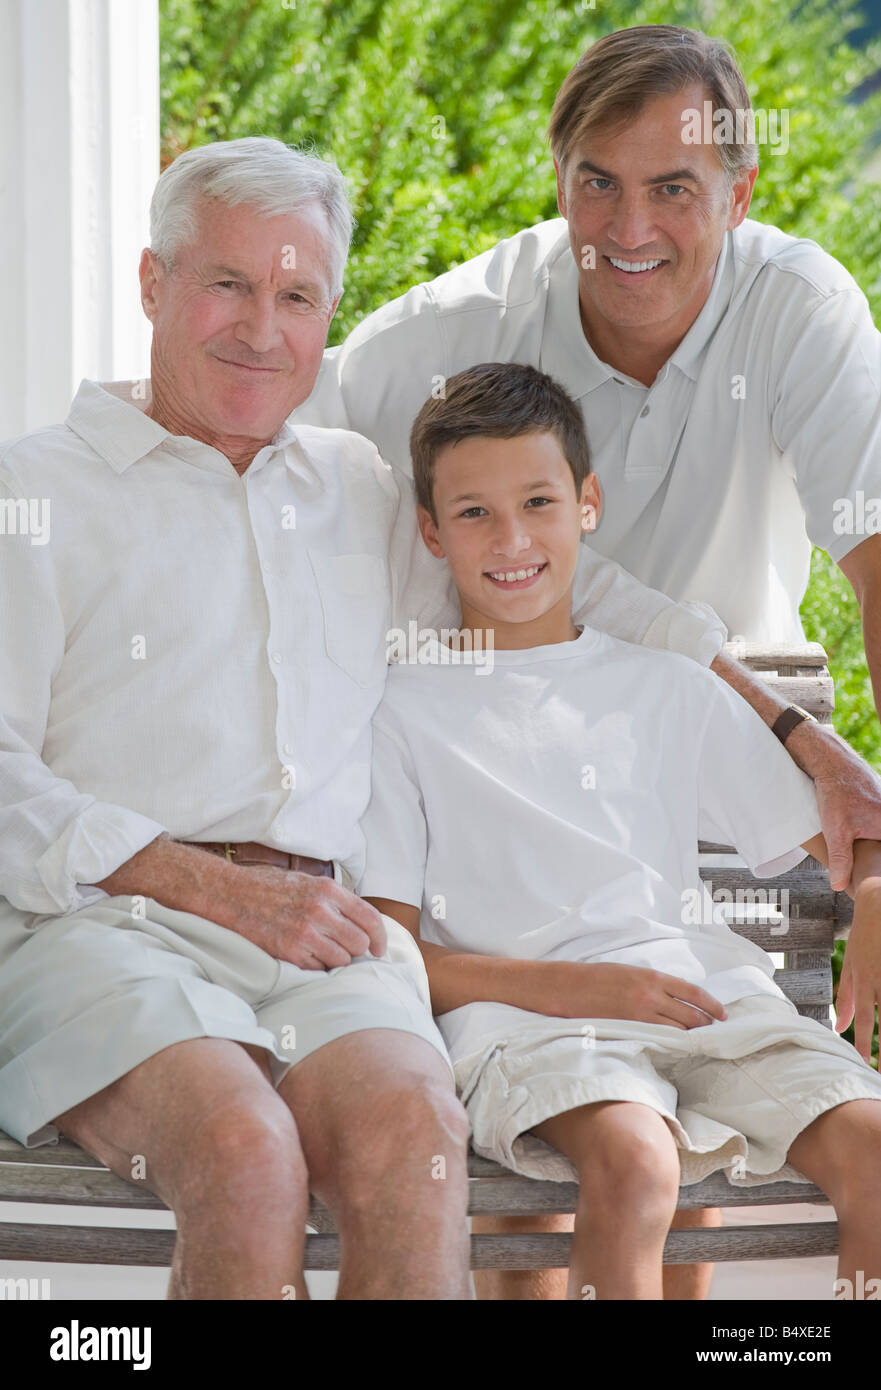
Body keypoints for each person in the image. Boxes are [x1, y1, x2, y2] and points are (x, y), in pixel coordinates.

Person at [0, 135, 742, 1301]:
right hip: (103, 925)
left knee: (416, 1141)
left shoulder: (354, 488)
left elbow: (554, 578)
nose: (262, 328)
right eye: (228, 285)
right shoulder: (33, 492)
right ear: (154, 285)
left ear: (329, 313)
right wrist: (209, 885)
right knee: (245, 1156)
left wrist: (800, 735)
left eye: (297, 296)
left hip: (324, 938)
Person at [292, 22, 881, 1295]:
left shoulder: (796, 313)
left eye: (674, 185)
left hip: (681, 738)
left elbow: (868, 568)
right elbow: (270, 442)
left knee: (676, 1166)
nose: (631, 225)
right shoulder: (452, 336)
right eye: (595, 183)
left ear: (740, 188)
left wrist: (864, 846)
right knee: (583, 1194)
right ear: (552, 182)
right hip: (497, 825)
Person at [357, 361, 881, 1301]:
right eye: (473, 513)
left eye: (538, 502)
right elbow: (394, 948)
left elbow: (839, 835)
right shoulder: (401, 708)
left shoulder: (665, 687)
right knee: (638, 1162)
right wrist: (582, 987)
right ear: (430, 531)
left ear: (586, 504)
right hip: (524, 1024)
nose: (512, 539)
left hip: (704, 1002)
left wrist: (873, 890)